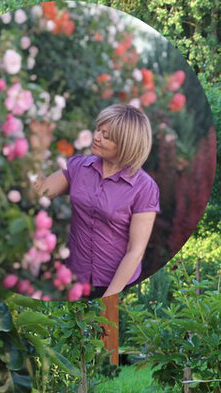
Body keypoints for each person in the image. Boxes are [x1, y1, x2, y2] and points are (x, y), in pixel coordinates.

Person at [33, 103, 159, 298]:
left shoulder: (144, 187)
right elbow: (41, 192)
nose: (96, 137)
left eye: (106, 136)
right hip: (76, 280)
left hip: (118, 286)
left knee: (108, 329)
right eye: (98, 130)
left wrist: (108, 300)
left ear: (126, 144)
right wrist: (37, 149)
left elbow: (135, 251)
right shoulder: (78, 167)